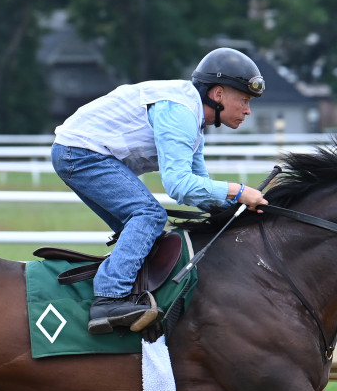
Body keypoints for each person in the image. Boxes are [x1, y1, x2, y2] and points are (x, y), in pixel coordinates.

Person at [51, 47, 271, 335]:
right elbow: (179, 185)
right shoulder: (179, 112)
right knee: (149, 215)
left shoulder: (193, 121)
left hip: (80, 152)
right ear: (218, 94)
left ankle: (129, 294)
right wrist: (240, 191)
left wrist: (237, 210)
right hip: (79, 153)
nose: (247, 110)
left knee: (145, 234)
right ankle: (108, 299)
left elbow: (197, 188)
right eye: (243, 100)